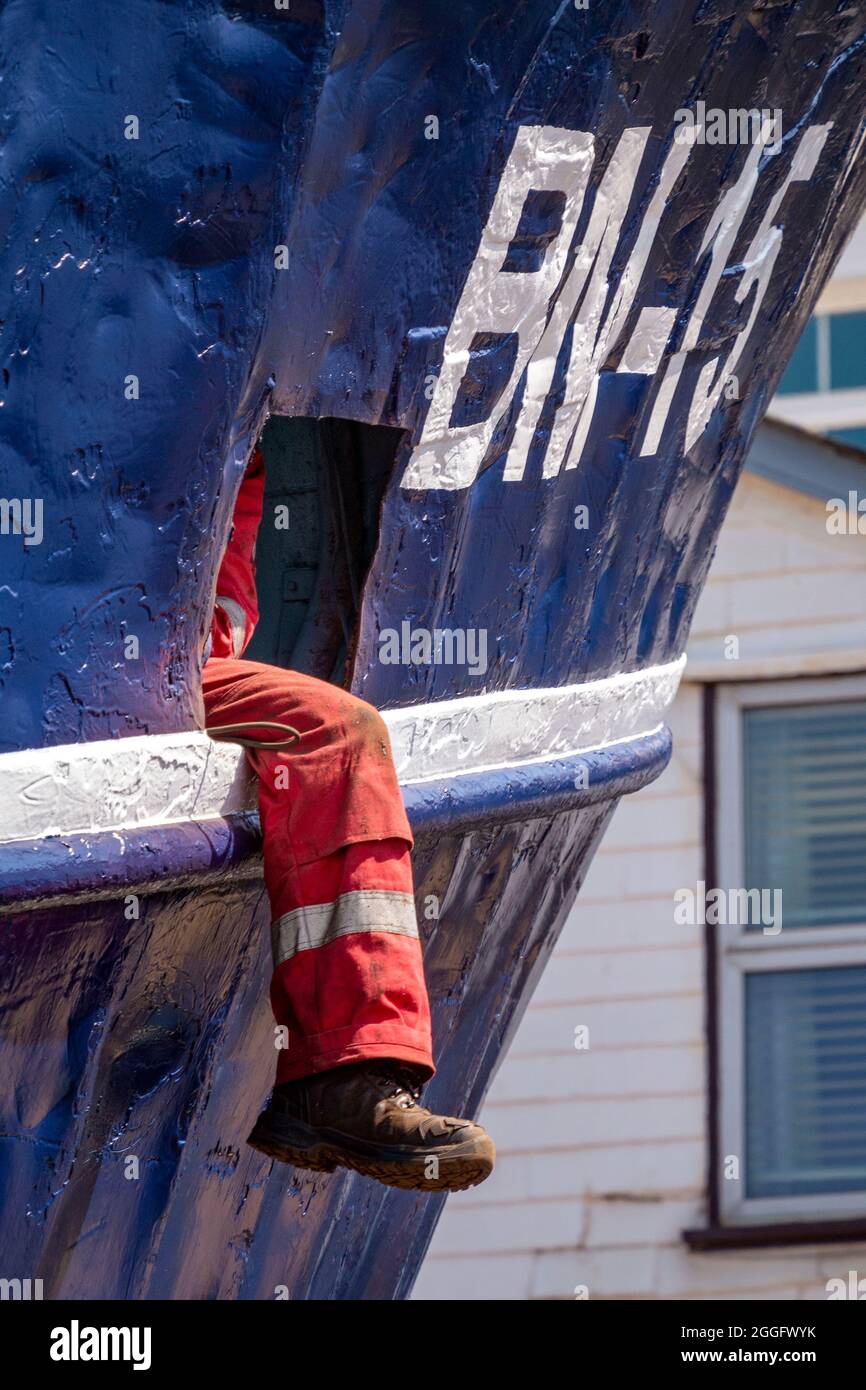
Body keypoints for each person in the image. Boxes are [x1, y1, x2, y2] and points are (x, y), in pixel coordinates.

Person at [203, 446, 495, 1191]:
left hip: (151, 667)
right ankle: (342, 1070)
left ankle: (350, 1067)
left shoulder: (222, 425)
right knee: (335, 729)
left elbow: (220, 571)